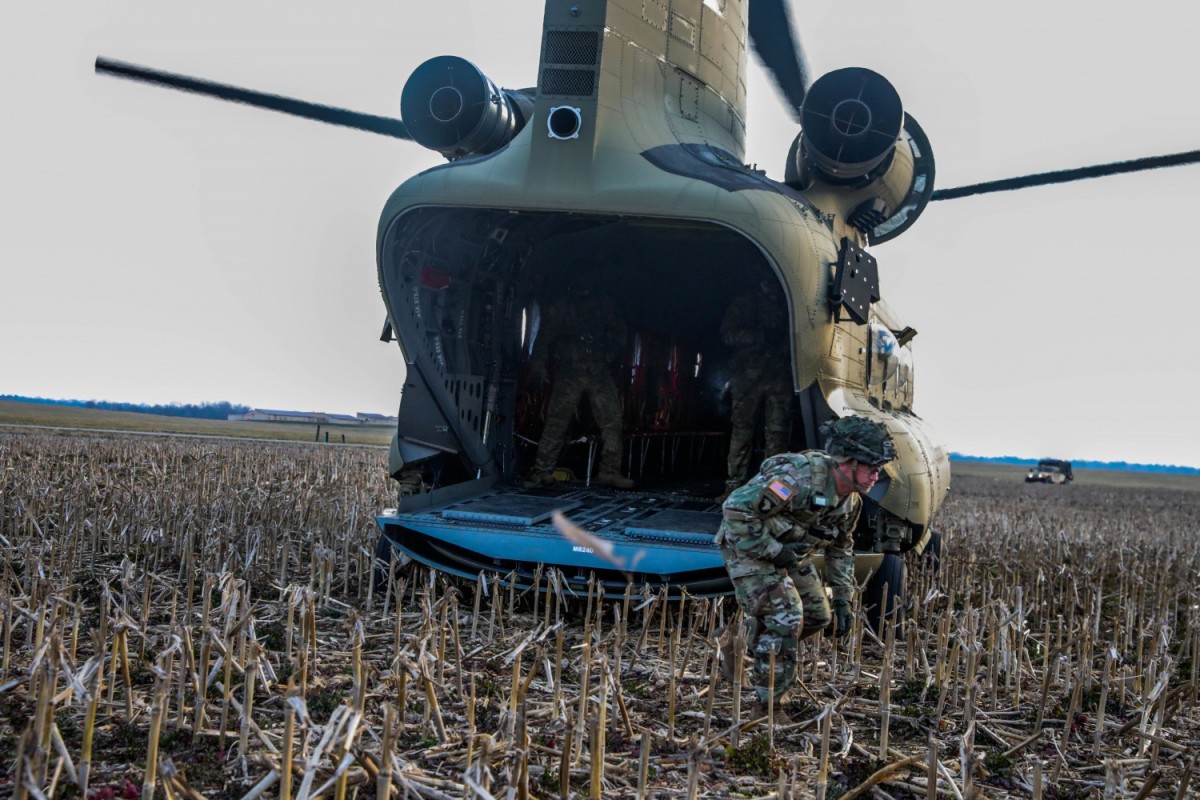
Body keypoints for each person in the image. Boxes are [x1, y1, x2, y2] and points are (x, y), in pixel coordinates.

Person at [714, 415, 895, 719]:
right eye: (871, 468)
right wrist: (776, 551)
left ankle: (737, 641)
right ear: (847, 462)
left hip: (791, 554)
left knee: (817, 616)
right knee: (787, 617)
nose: (876, 477)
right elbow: (735, 511)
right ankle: (768, 707)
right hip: (748, 546)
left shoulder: (850, 502)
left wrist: (843, 599)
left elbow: (841, 548)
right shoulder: (797, 479)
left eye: (879, 470)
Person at [521, 270, 634, 490]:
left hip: (597, 369)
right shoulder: (561, 307)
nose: (584, 283)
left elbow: (621, 331)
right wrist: (538, 369)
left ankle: (610, 471)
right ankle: (542, 471)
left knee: (612, 420)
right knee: (557, 421)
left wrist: (612, 350)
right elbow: (543, 339)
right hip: (570, 371)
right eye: (580, 279)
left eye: (587, 278)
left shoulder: (603, 305)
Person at [718, 279, 793, 500]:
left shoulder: (788, 304)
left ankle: (772, 489)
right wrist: (759, 336)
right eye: (765, 282)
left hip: (779, 375)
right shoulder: (746, 304)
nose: (770, 287)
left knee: (778, 432)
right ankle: (734, 487)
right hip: (748, 375)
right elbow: (728, 334)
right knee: (742, 430)